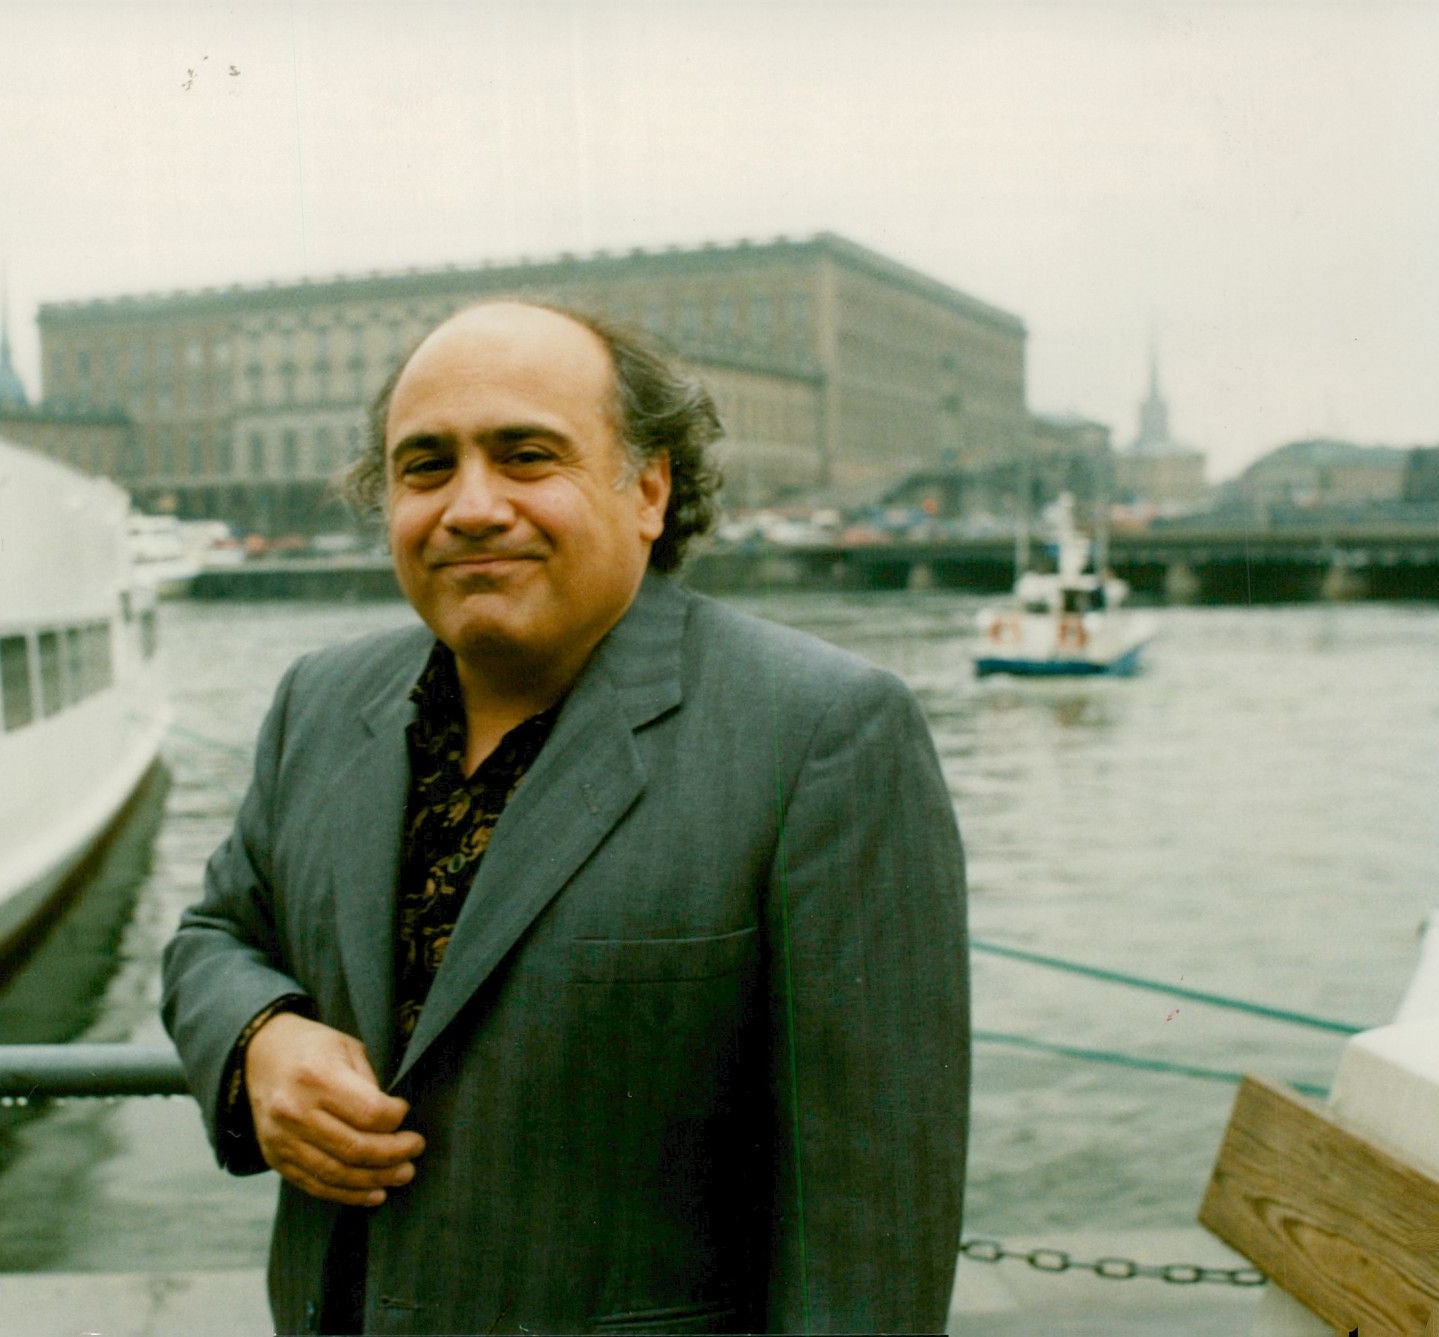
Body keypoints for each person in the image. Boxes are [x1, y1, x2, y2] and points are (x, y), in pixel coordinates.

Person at [161, 301, 969, 1335]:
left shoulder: (823, 735)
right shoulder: (318, 702)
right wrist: (258, 1039)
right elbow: (213, 936)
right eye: (424, 466)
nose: (470, 505)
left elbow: (869, 1234)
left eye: (525, 456)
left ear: (647, 488)